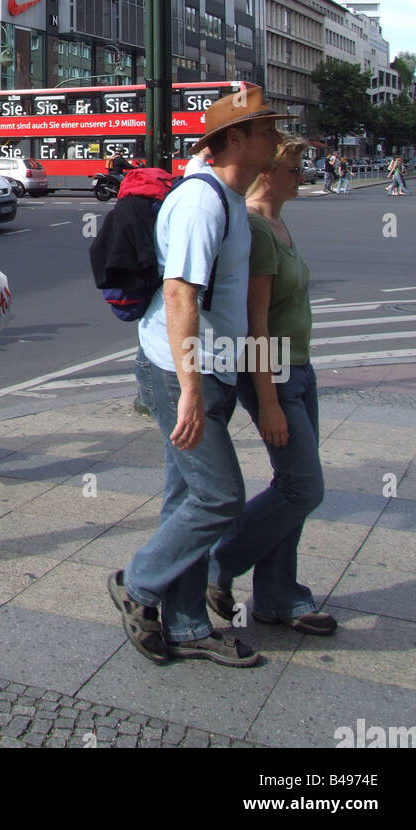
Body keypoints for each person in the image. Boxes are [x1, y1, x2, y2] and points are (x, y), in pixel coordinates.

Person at [108, 85, 290, 667]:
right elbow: (180, 293)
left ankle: (187, 626)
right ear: (233, 139)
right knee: (221, 497)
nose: (275, 140)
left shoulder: (230, 201)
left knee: (185, 496)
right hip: (179, 372)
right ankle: (137, 582)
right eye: (265, 130)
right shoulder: (202, 202)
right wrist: (188, 388)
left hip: (210, 371)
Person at [206, 136, 336, 637]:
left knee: (294, 486)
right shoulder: (258, 229)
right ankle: (217, 560)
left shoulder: (280, 223)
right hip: (273, 373)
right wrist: (267, 402)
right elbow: (255, 324)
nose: (302, 174)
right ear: (268, 173)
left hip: (298, 368)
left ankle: (279, 596)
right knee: (303, 486)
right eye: (295, 167)